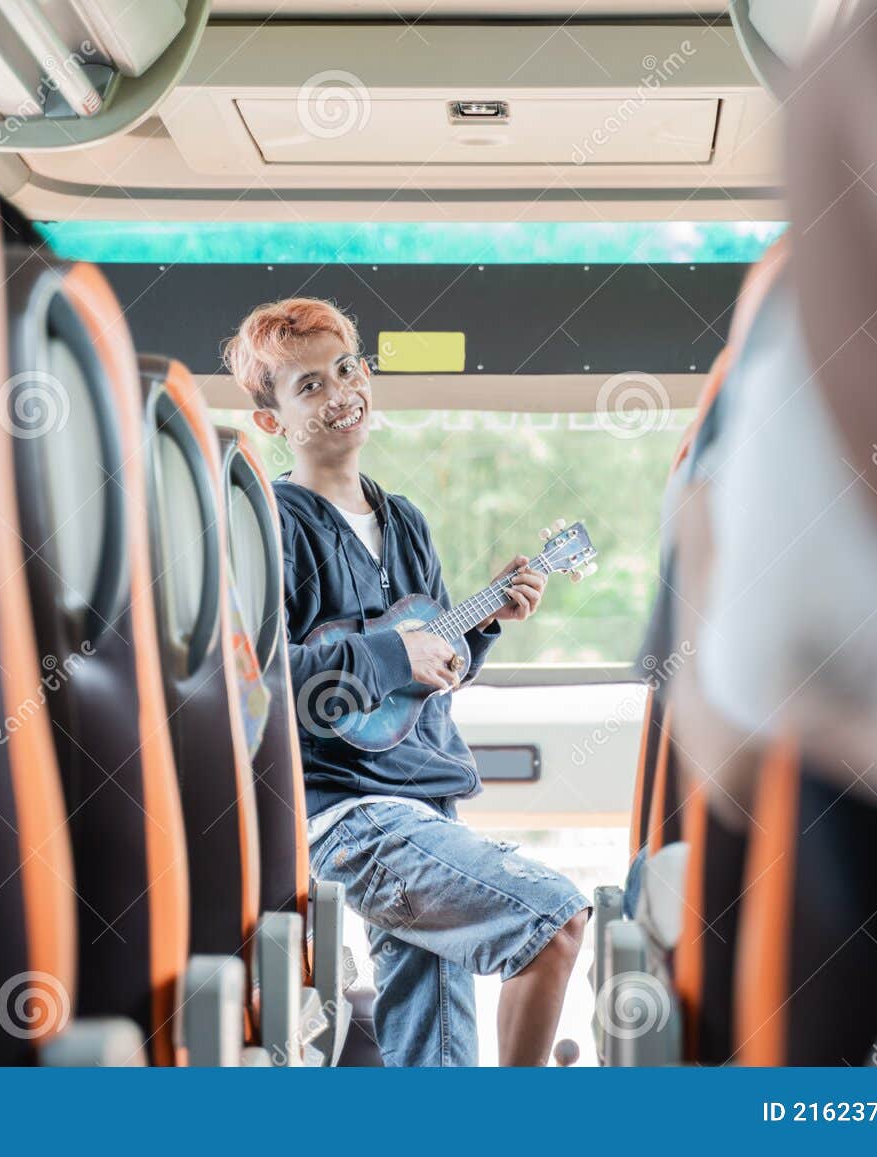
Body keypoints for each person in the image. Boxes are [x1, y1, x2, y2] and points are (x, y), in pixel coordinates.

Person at [224, 297, 591, 1067]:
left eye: (348, 368)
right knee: (555, 919)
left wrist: (482, 624)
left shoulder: (407, 521)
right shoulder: (274, 524)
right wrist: (394, 654)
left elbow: (427, 678)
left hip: (428, 805)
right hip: (349, 815)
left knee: (435, 1046)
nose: (341, 392)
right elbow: (257, 684)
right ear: (271, 422)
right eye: (310, 385)